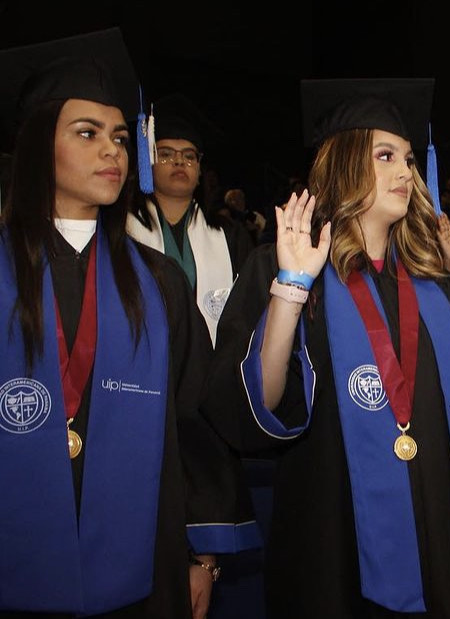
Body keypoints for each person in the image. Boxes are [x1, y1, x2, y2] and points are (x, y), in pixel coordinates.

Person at [202, 77, 450, 618]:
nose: (405, 172)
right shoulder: (283, 267)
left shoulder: (435, 286)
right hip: (332, 536)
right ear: (345, 163)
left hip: (439, 530)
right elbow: (257, 405)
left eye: (409, 159)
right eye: (386, 156)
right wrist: (291, 288)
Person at [0, 28, 249, 618]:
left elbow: (195, 418)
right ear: (38, 144)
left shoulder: (157, 283)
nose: (113, 151)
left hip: (144, 564)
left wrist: (202, 555)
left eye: (118, 137)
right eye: (87, 134)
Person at [126, 93, 256, 344]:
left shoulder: (230, 235)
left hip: (213, 359)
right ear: (147, 163)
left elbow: (246, 311)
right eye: (165, 154)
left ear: (199, 171)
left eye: (189, 156)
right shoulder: (122, 229)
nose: (179, 161)